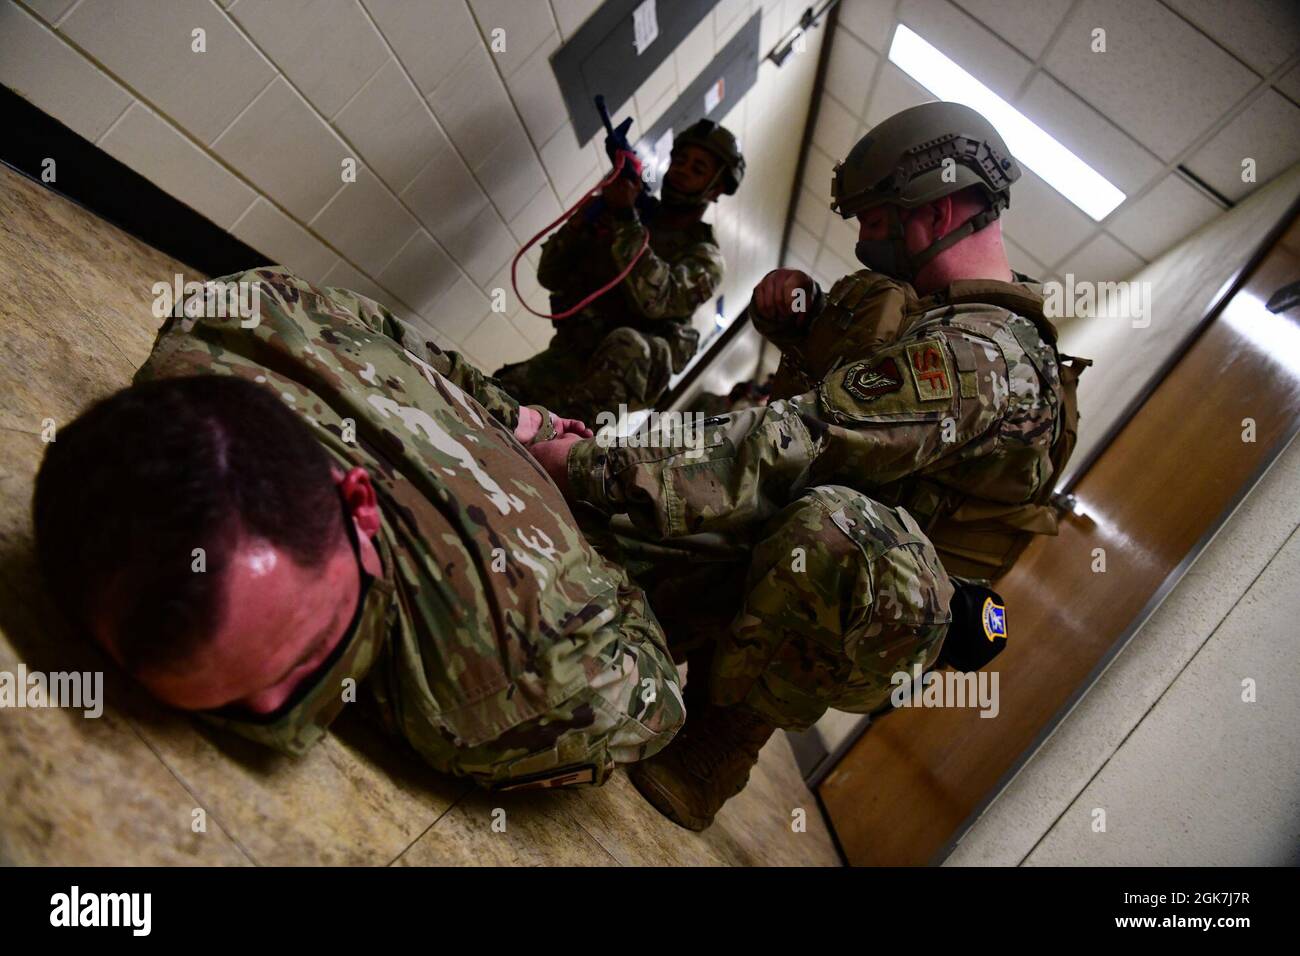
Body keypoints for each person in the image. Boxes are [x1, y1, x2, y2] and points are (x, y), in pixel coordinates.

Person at [526, 101, 1090, 827]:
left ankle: (721, 743)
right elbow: (842, 397)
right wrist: (803, 316)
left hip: (860, 593)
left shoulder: (984, 357)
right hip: (784, 544)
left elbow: (803, 436)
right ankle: (685, 629)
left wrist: (594, 464)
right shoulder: (937, 319)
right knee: (573, 592)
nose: (863, 239)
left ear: (941, 209)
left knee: (831, 525)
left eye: (877, 220)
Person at [32, 267, 685, 791]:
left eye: (313, 651)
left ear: (360, 503)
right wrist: (514, 431)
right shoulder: (233, 310)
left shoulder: (500, 699)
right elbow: (386, 336)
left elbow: (660, 688)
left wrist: (555, 483)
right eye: (226, 708)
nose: (283, 723)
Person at [494, 119, 743, 423]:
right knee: (490, 401)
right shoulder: (634, 212)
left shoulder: (705, 258)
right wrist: (589, 217)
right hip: (569, 354)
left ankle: (569, 435)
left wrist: (625, 217)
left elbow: (656, 299)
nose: (681, 170)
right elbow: (550, 275)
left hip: (618, 378)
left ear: (716, 188)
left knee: (545, 436)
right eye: (679, 161)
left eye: (697, 169)